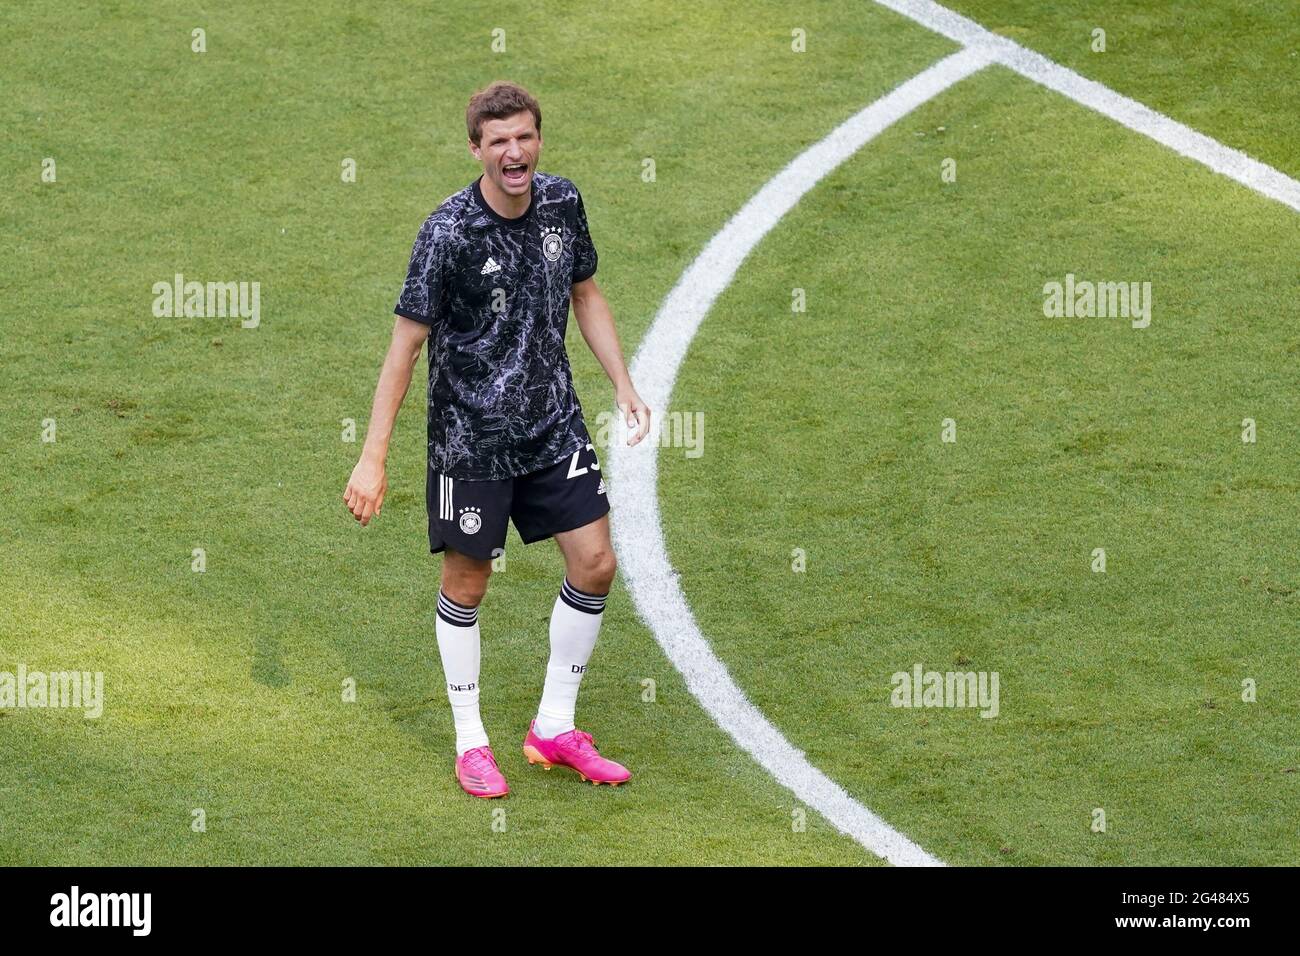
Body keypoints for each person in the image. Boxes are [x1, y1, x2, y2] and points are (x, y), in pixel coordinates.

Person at [344, 81, 651, 798]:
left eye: (525, 137)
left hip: (552, 424)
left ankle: (553, 726)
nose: (514, 152)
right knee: (468, 584)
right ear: (477, 149)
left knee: (596, 563)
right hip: (469, 441)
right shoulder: (447, 232)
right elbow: (404, 348)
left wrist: (623, 384)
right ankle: (471, 741)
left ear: (538, 140)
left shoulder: (562, 203)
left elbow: (586, 293)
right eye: (499, 141)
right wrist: (373, 456)